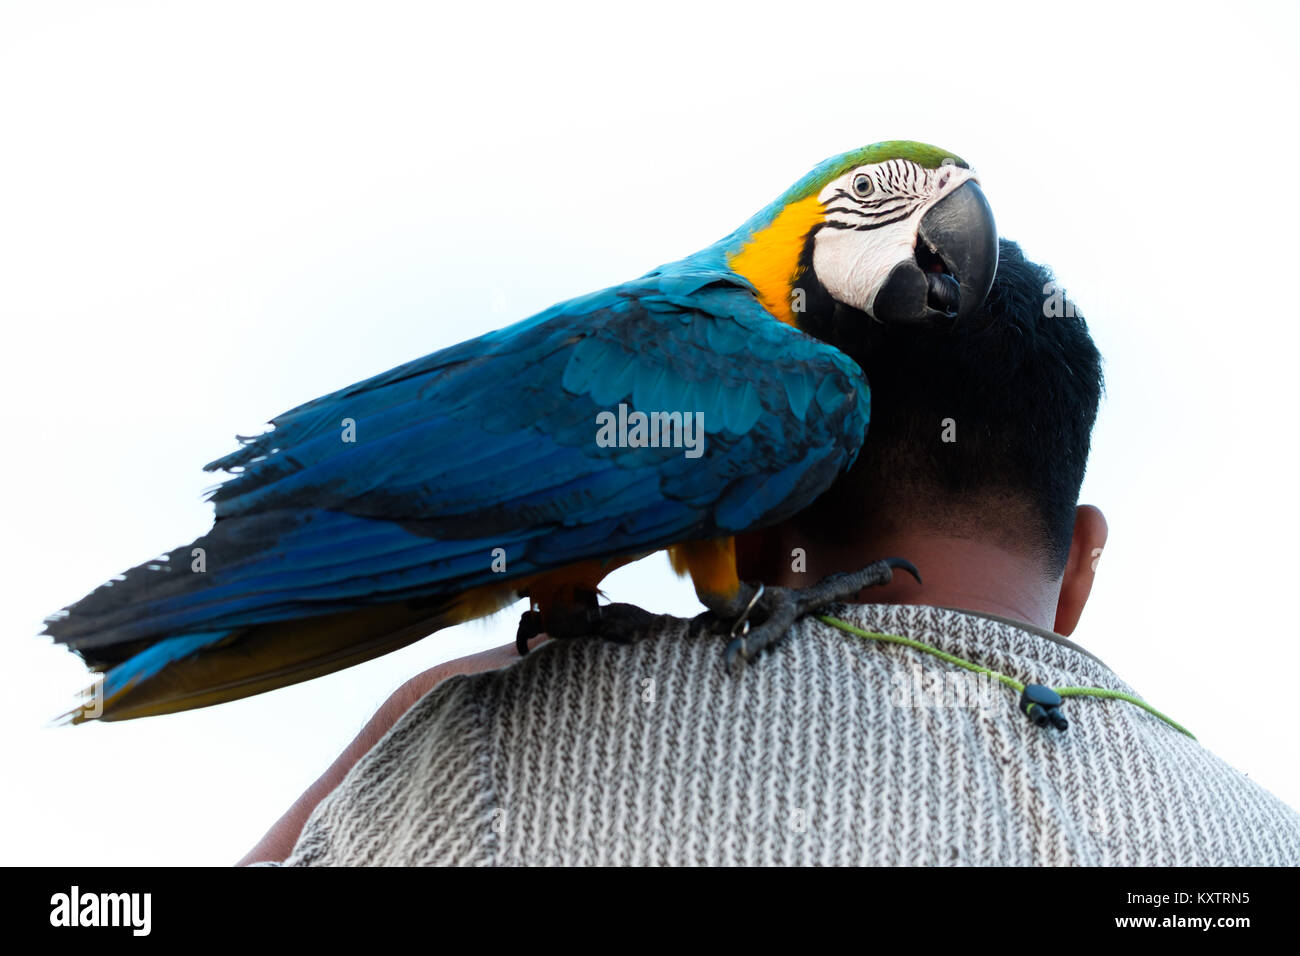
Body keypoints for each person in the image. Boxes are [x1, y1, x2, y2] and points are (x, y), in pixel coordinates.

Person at [239, 240, 1300, 866]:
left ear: (740, 523)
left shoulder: (489, 739)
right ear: (1079, 562)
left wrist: (423, 719)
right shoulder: (1260, 838)